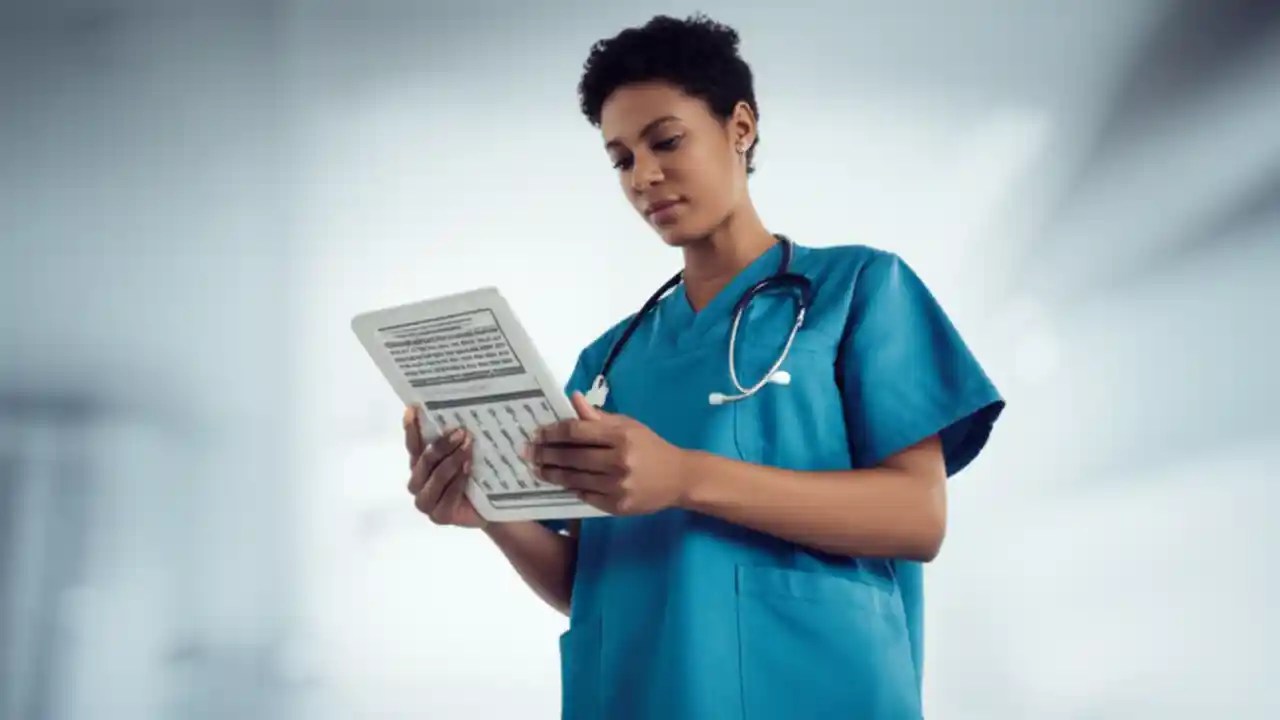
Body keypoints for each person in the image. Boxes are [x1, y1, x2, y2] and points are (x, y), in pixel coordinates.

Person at [402, 13, 1004, 720]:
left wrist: (684, 477)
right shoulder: (608, 362)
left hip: (814, 690)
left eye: (667, 140)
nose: (644, 177)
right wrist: (491, 515)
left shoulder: (860, 292)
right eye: (621, 158)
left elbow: (917, 516)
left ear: (740, 127)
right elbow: (590, 580)